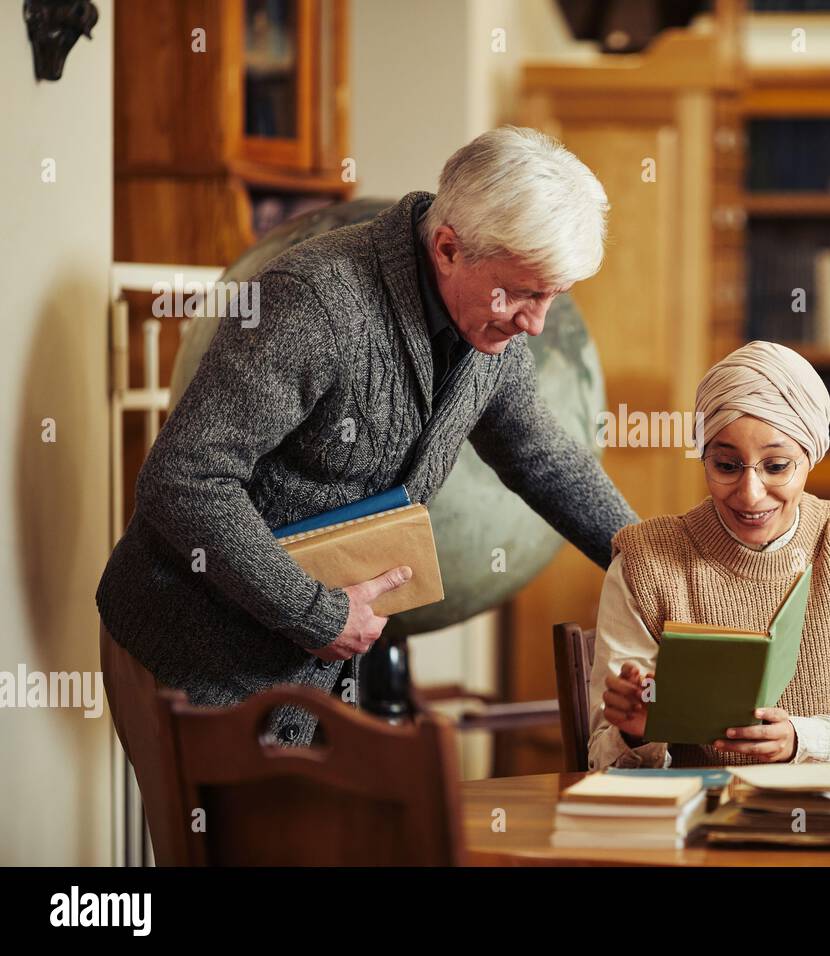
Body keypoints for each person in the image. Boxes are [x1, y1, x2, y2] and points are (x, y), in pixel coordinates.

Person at [96, 125, 637, 791]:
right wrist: (315, 612)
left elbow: (544, 459)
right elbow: (185, 479)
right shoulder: (311, 300)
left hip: (309, 666)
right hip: (191, 654)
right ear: (448, 248)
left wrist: (651, 565)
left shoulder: (490, 322)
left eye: (551, 296)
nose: (536, 323)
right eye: (525, 293)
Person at [588, 341, 830, 768]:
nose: (750, 493)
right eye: (726, 466)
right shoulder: (644, 562)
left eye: (776, 466)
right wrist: (636, 734)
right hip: (694, 823)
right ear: (704, 459)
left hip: (823, 823)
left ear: (810, 457)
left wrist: (798, 739)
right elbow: (601, 761)